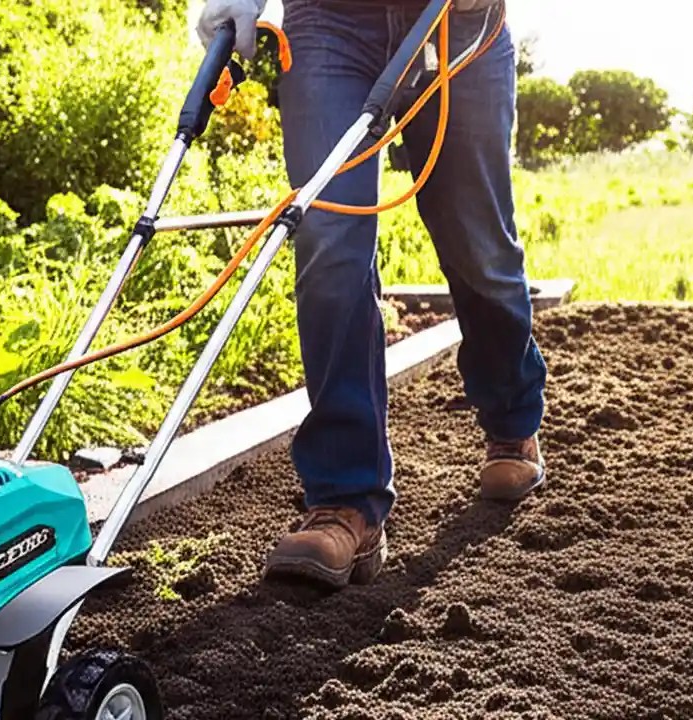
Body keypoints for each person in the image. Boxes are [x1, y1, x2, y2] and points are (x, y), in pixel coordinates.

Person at [195, 0, 547, 590]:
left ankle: (513, 418)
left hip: (459, 23)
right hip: (330, 22)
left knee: (478, 244)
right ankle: (345, 498)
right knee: (329, 237)